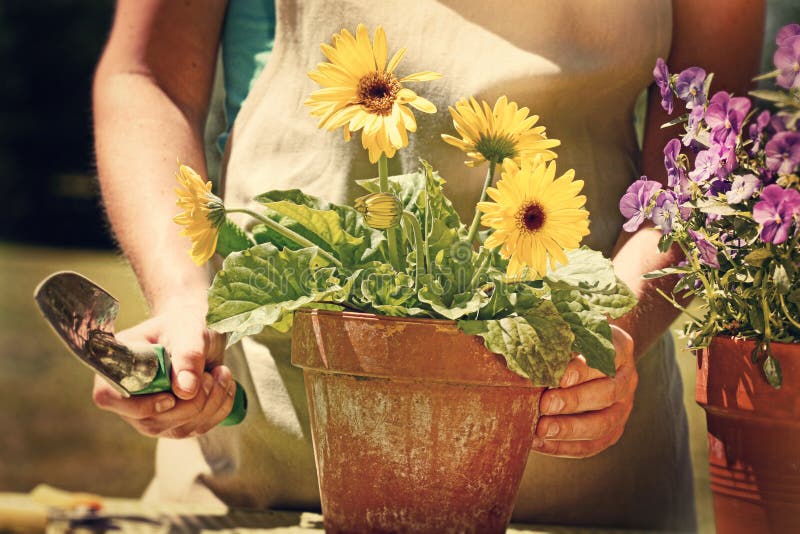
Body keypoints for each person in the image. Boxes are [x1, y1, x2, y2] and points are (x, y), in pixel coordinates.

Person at [91, 0, 765, 529]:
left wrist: (614, 323)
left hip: (577, 475)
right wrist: (183, 297)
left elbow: (708, 149)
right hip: (267, 458)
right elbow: (144, 74)